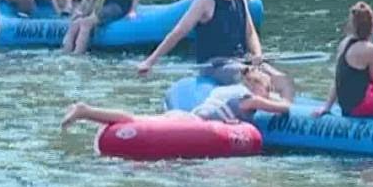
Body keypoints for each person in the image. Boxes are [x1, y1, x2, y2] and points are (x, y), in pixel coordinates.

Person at [138, 0, 294, 101]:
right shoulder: (205, 1)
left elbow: (250, 33)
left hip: (240, 61)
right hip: (214, 65)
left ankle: (286, 112)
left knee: (282, 79)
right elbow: (179, 32)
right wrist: (150, 61)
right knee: (258, 79)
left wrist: (257, 55)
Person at [62, 66, 290, 130]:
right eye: (267, 89)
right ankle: (86, 111)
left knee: (136, 120)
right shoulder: (249, 98)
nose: (267, 94)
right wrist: (283, 98)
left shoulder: (229, 89)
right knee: (134, 121)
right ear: (256, 86)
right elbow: (281, 109)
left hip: (186, 117)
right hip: (192, 124)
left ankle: (86, 112)